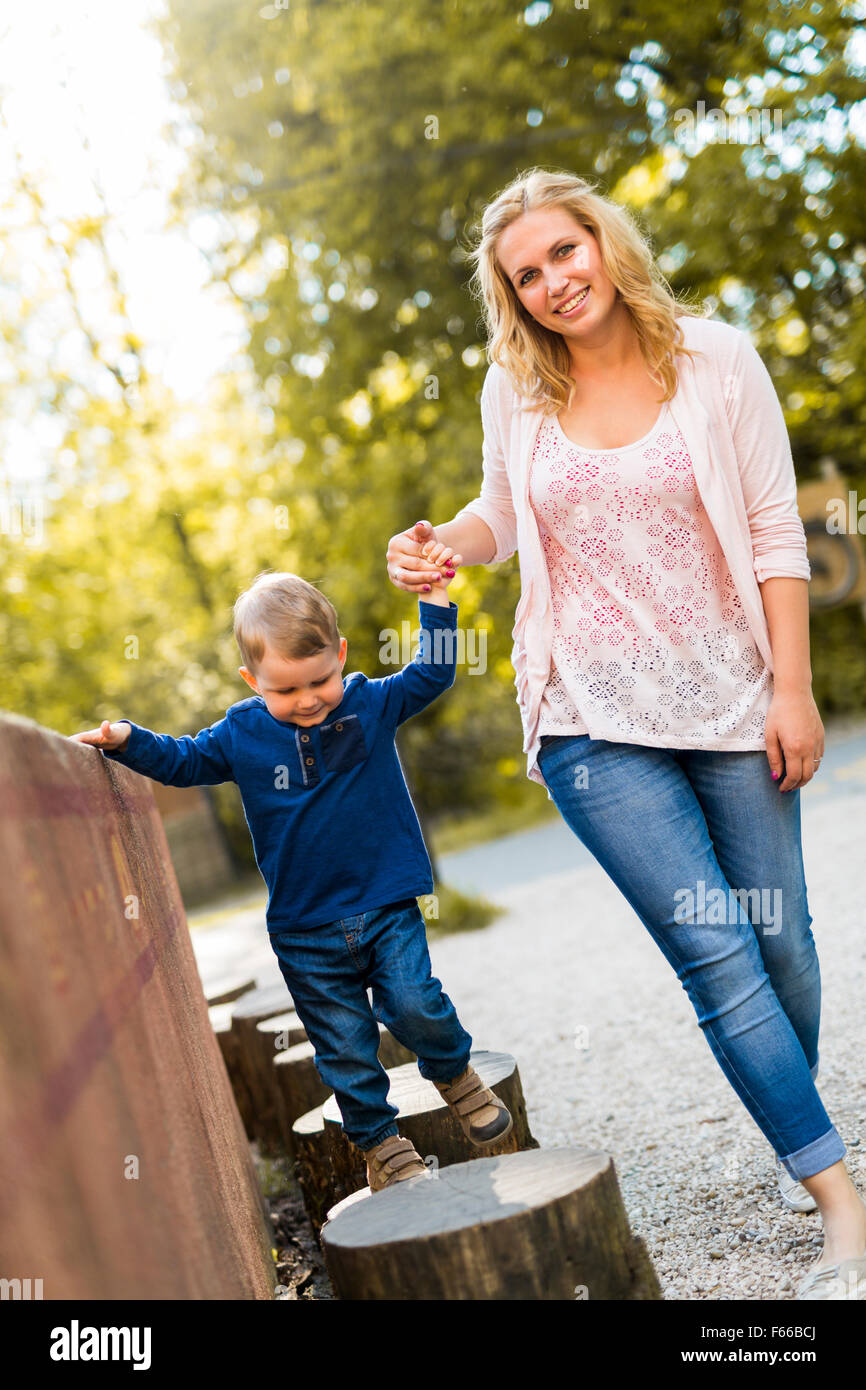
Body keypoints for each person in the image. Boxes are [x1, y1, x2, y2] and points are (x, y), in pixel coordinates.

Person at [386, 167, 866, 1300]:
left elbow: (772, 533)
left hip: (732, 695)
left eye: (563, 253)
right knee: (716, 955)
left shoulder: (715, 360)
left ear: (600, 241)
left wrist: (790, 690)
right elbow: (500, 511)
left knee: (778, 942)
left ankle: (782, 1111)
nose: (553, 282)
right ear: (511, 297)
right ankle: (835, 1198)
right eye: (526, 274)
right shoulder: (518, 386)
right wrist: (443, 540)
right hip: (587, 720)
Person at [70, 568, 512, 1192]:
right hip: (305, 929)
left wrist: (434, 601)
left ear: (342, 656)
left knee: (416, 1003)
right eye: (285, 689)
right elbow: (183, 760)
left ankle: (456, 1075)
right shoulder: (241, 734)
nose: (307, 699)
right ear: (253, 682)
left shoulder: (368, 704)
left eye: (320, 679)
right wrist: (125, 739)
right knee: (345, 1050)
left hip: (384, 904)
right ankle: (382, 1146)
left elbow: (432, 672)